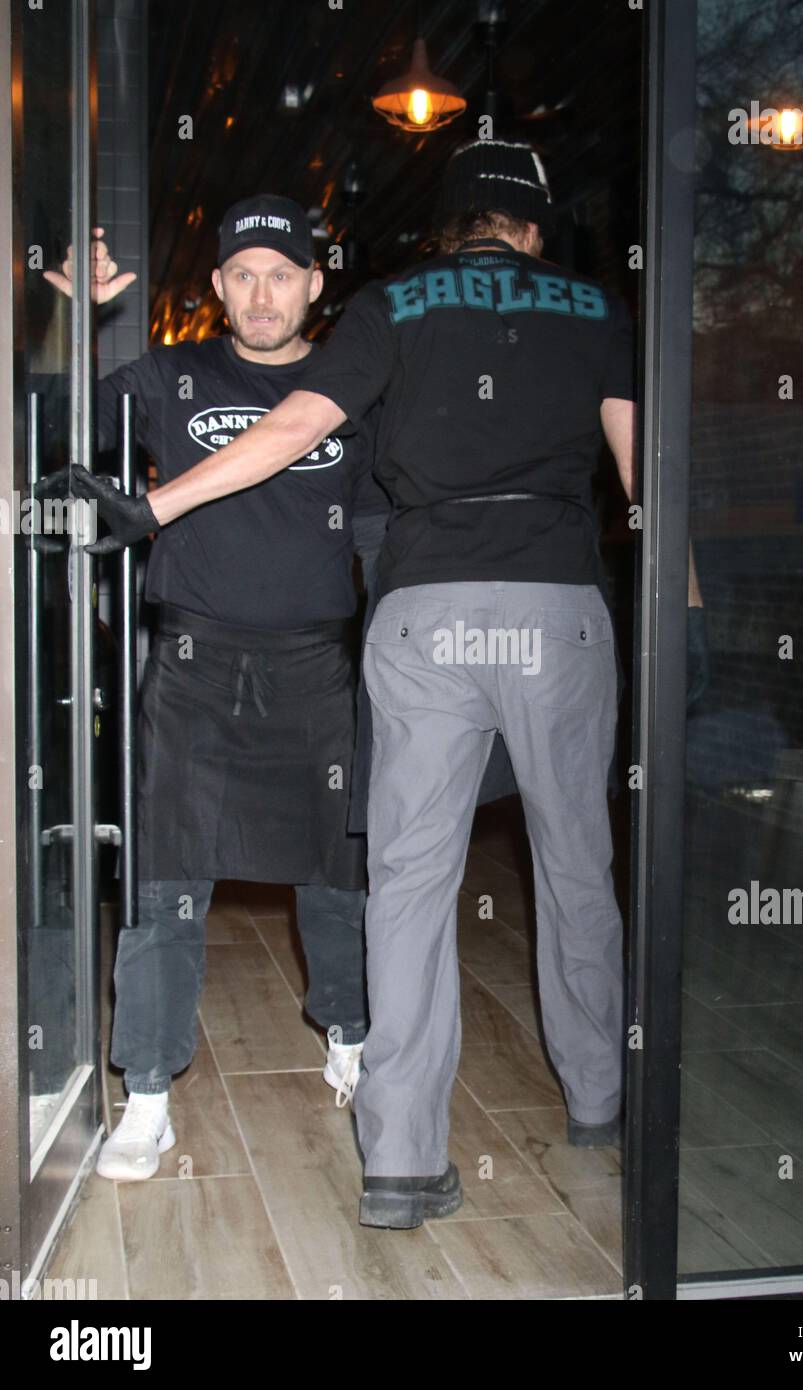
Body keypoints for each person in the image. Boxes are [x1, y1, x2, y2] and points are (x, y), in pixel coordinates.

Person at [72, 140, 703, 1227]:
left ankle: (401, 1160)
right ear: (534, 230)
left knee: (406, 884)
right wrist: (682, 629)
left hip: (423, 609)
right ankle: (600, 1102)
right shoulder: (593, 308)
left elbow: (297, 429)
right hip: (555, 605)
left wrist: (157, 507)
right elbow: (650, 483)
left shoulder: (393, 305)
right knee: (577, 867)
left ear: (444, 226)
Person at [50, 196, 389, 1179]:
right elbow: (60, 422)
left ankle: (353, 1043)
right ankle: (146, 1094)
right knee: (166, 882)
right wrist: (78, 321)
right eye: (241, 274)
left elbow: (376, 530)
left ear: (315, 286)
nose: (261, 293)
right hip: (193, 664)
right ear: (215, 289)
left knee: (337, 874)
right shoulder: (170, 374)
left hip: (317, 666)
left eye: (282, 273)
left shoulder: (347, 391)